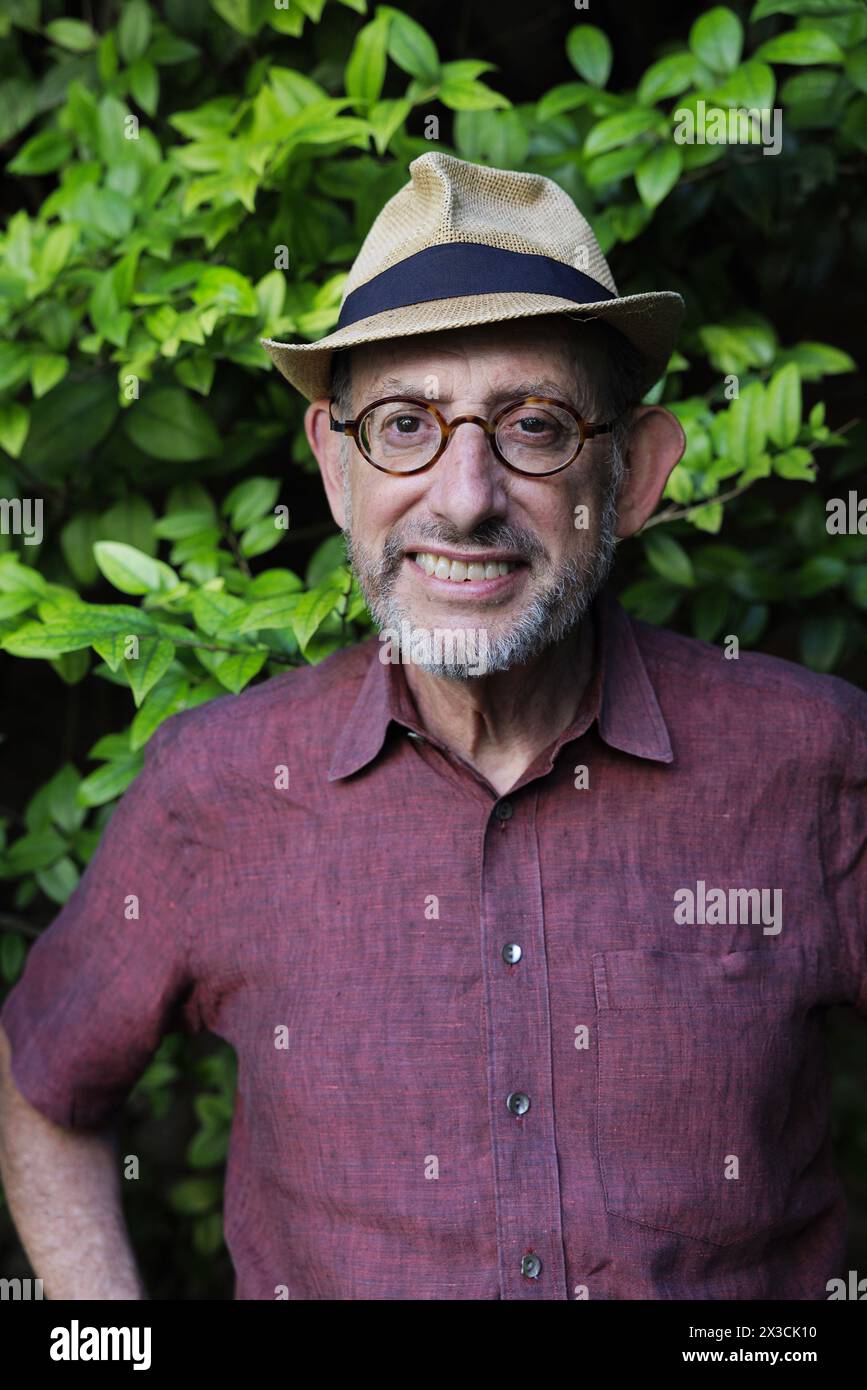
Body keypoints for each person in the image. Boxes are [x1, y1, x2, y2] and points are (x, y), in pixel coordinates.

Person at [1, 151, 865, 1301]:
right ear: (335, 466)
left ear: (636, 474)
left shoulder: (813, 760)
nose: (464, 496)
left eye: (537, 425)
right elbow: (44, 1082)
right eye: (406, 425)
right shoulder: (214, 785)